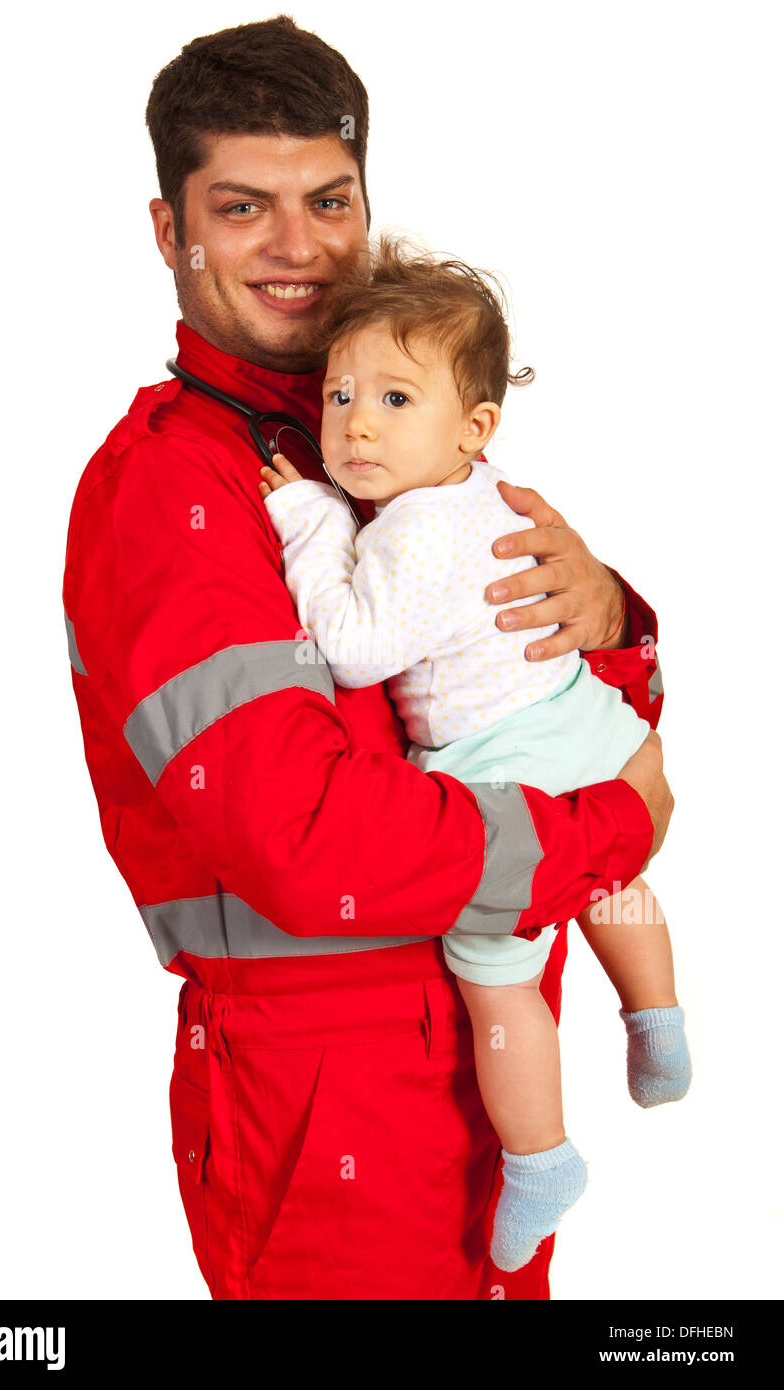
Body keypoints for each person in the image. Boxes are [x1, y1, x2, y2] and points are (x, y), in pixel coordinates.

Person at [62, 16, 673, 1300]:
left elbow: (536, 685)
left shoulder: (407, 437)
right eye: (242, 207)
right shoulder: (175, 490)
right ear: (170, 232)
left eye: (328, 200)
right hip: (319, 1103)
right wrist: (605, 827)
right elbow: (305, 840)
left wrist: (613, 617)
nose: (297, 248)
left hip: (481, 1064)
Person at [259, 234, 691, 1276]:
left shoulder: (411, 531)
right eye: (340, 394)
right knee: (614, 874)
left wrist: (310, 519)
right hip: (577, 714)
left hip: (506, 757)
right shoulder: (484, 491)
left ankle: (540, 1155)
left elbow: (356, 651)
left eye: (396, 401)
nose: (356, 423)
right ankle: (658, 1016)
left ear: (475, 425)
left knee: (494, 970)